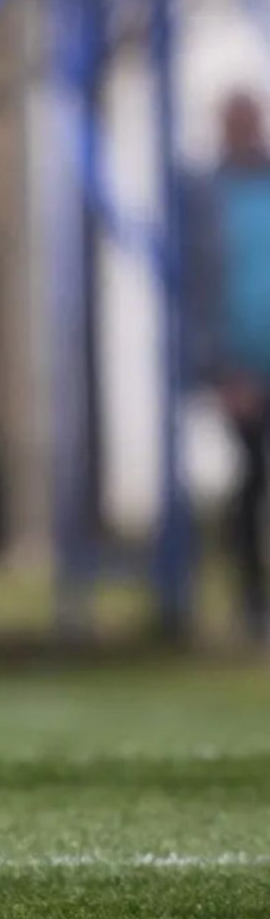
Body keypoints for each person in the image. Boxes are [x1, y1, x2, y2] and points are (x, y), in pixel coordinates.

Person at [195, 91, 270, 639]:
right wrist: (222, 368)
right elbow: (196, 291)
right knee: (253, 476)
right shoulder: (204, 198)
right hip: (242, 365)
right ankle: (250, 599)